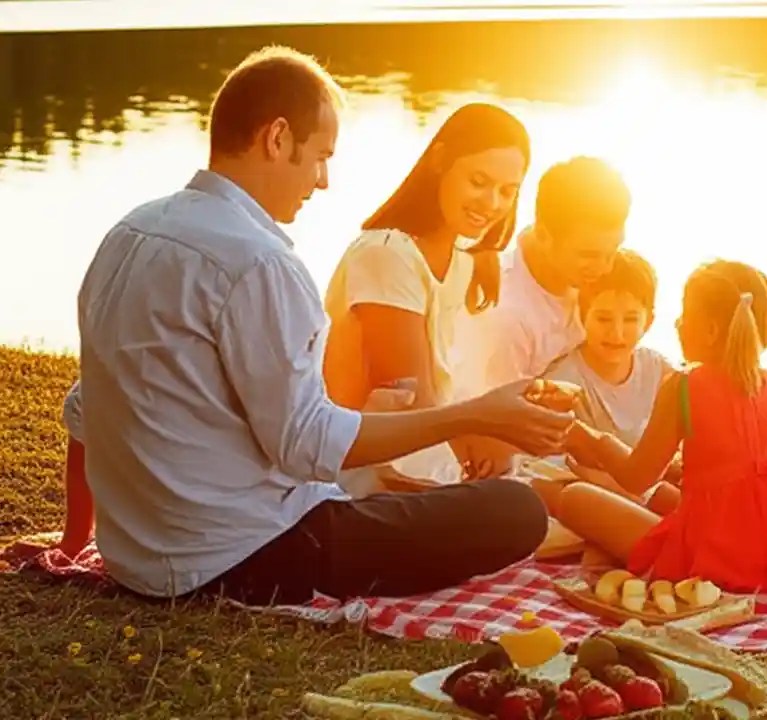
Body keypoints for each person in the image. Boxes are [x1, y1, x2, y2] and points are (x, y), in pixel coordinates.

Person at [5, 45, 573, 606]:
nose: (323, 180)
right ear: (277, 139)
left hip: (136, 558)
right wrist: (480, 413)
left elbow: (86, 407)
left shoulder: (129, 233)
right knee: (515, 511)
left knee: (454, 499)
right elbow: (307, 444)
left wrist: (77, 541)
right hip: (246, 555)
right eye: (320, 155)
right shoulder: (260, 262)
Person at [557, 259, 767, 597]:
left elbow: (637, 478)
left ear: (710, 330)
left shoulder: (684, 386)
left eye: (685, 315)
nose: (677, 323)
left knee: (575, 498)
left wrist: (589, 437)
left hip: (711, 564)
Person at [322, 102, 531, 487]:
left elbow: (441, 392)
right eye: (479, 182)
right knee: (522, 504)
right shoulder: (386, 253)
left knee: (534, 478)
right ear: (440, 161)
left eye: (507, 191)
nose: (492, 204)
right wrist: (482, 437)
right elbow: (410, 400)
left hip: (418, 456)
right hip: (358, 474)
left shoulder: (459, 264)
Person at [453, 155, 632, 400]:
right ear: (545, 235)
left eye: (613, 251)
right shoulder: (509, 317)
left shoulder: (593, 274)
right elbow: (492, 422)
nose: (605, 268)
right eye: (589, 255)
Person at [542, 248, 674, 447]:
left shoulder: (659, 372)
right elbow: (544, 465)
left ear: (648, 322)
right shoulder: (562, 382)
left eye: (630, 319)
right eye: (603, 319)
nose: (616, 334)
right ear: (582, 315)